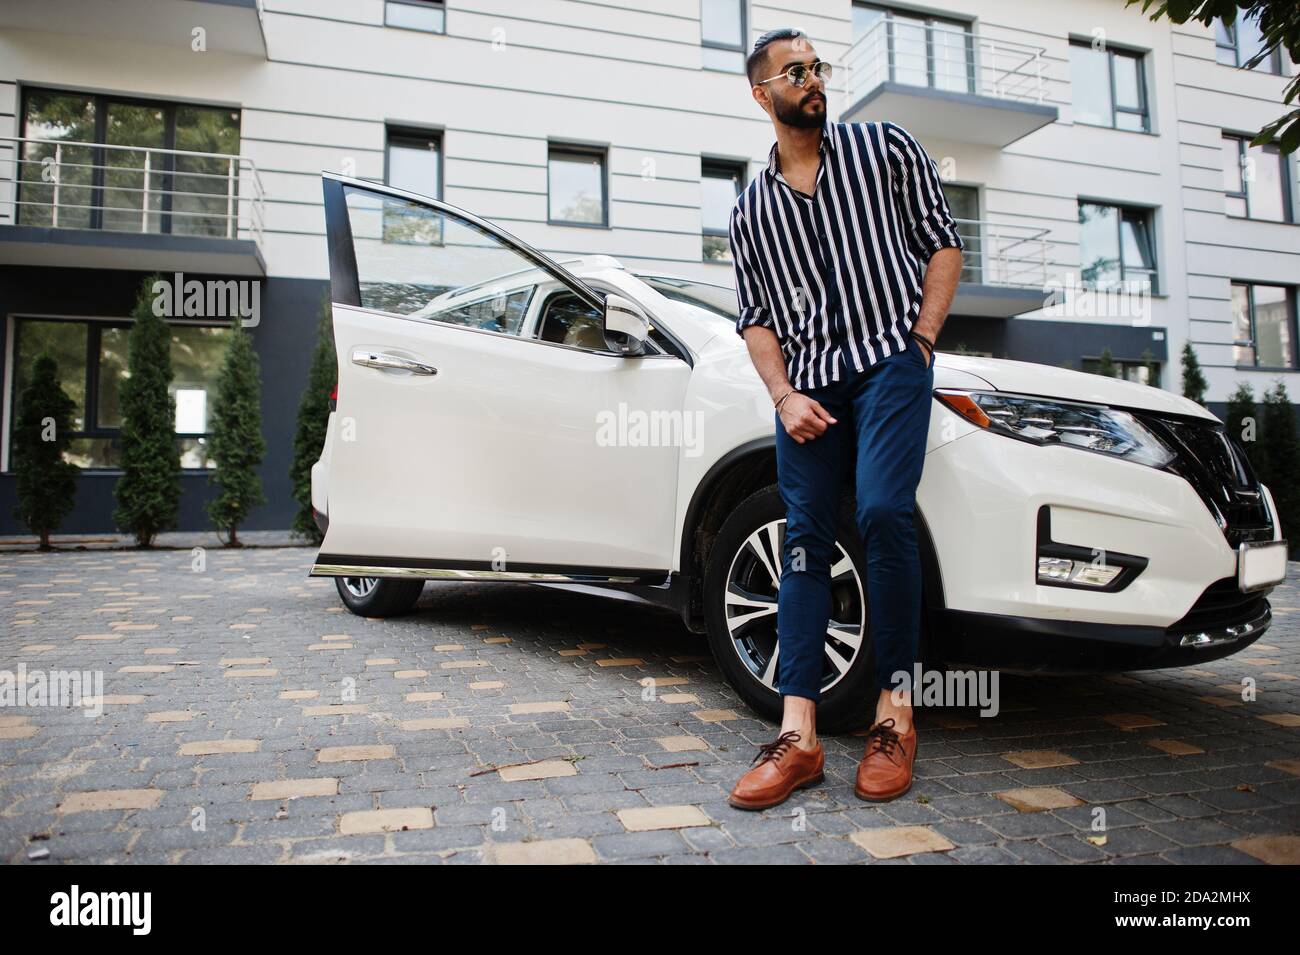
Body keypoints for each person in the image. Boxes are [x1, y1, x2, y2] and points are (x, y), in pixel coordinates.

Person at [726, 27, 963, 810]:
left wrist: (922, 341)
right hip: (811, 390)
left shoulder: (884, 148)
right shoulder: (751, 208)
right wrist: (784, 395)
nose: (812, 79)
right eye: (795, 72)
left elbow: (942, 244)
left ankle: (895, 716)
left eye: (817, 66)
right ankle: (800, 735)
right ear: (763, 94)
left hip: (892, 362)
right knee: (804, 541)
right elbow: (757, 318)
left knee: (886, 512)